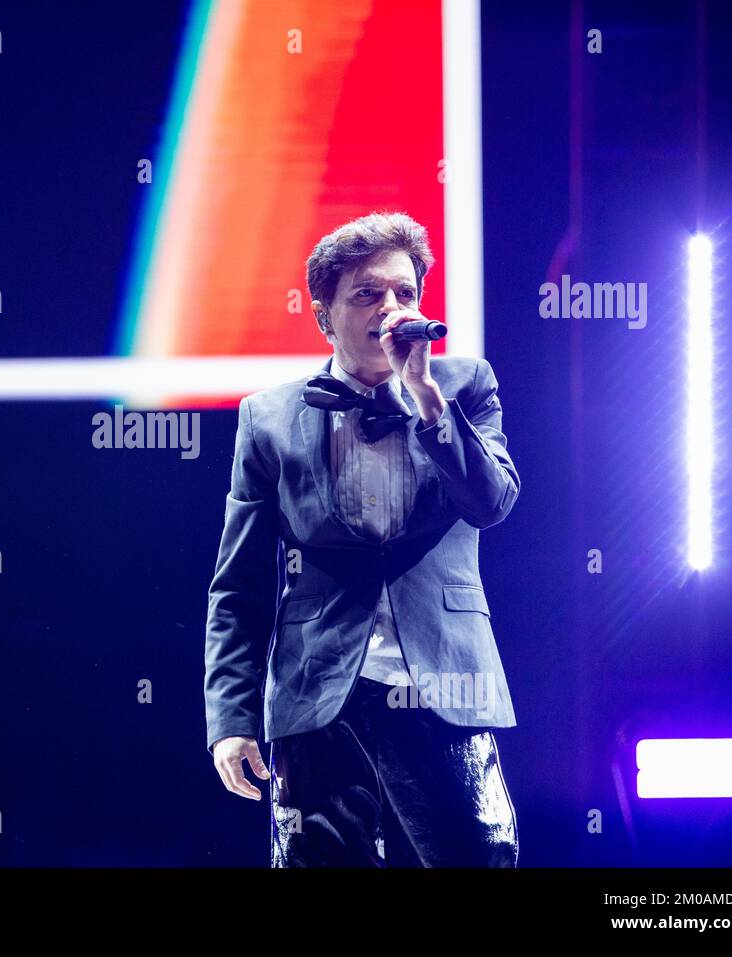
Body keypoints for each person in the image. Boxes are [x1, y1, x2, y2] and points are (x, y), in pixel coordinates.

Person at [203, 211, 520, 866]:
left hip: (441, 683)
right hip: (319, 692)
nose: (391, 308)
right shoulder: (269, 417)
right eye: (368, 294)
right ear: (324, 316)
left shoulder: (464, 385)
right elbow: (240, 585)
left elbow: (491, 502)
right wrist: (231, 720)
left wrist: (426, 397)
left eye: (405, 292)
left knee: (478, 857)